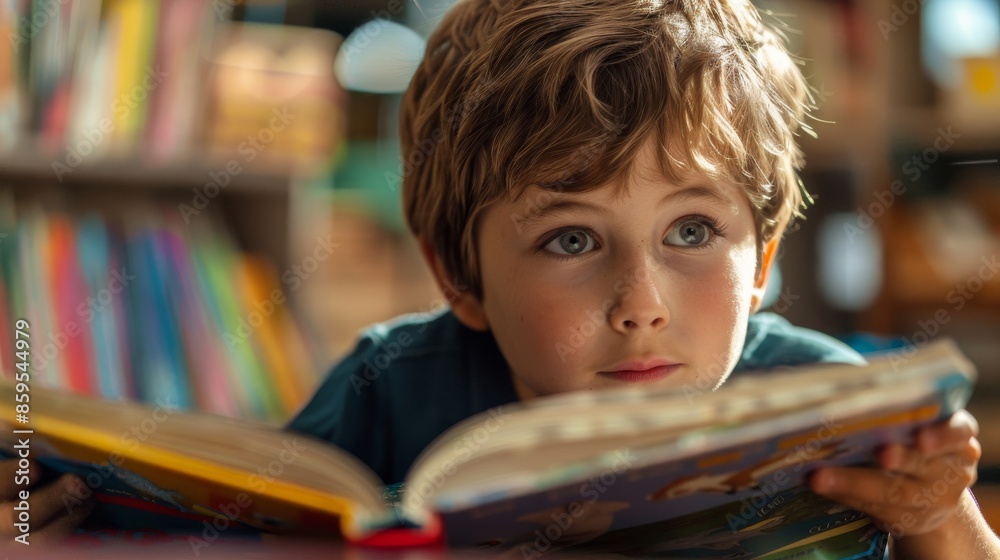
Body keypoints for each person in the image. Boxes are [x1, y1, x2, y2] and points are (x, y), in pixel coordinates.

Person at [2, 0, 996, 557]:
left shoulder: (827, 402)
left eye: (692, 228)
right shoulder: (389, 387)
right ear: (459, 273)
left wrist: (940, 514)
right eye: (570, 239)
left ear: (764, 255)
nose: (640, 300)